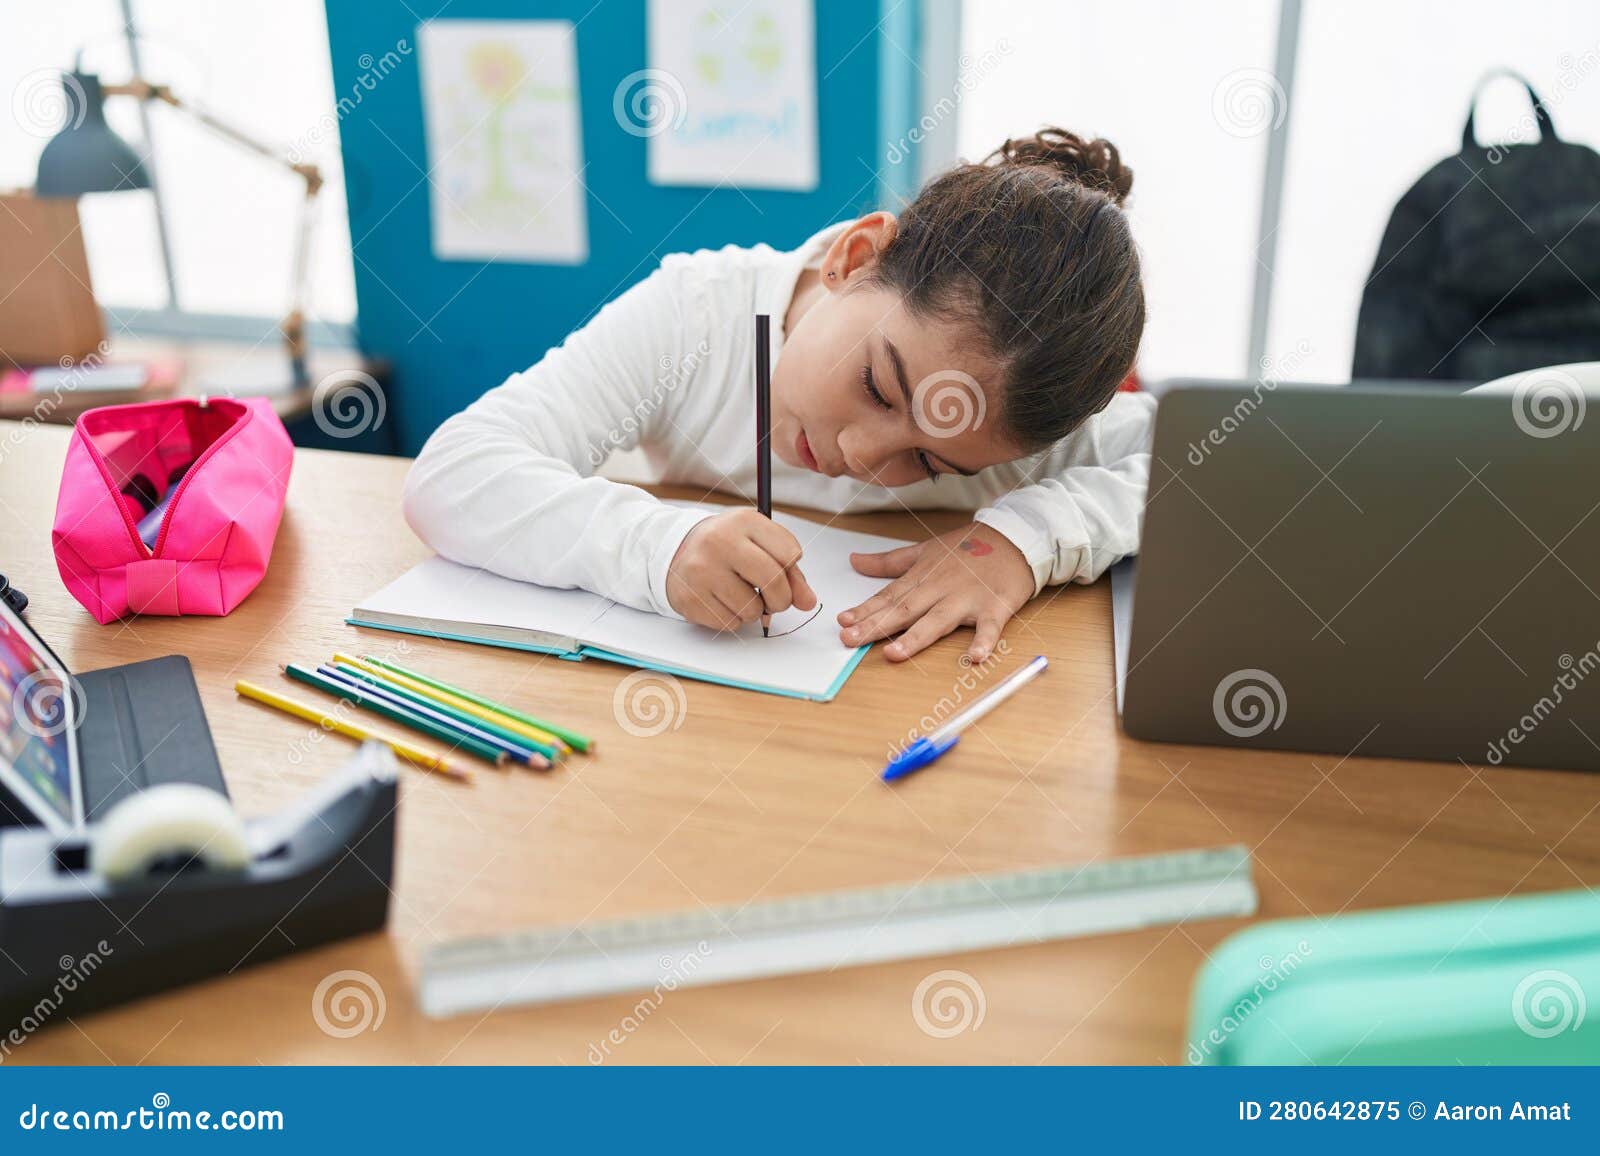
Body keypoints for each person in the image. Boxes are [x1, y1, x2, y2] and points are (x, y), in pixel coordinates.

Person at [404, 128, 1154, 665]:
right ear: (854, 256)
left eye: (929, 463)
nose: (861, 458)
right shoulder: (693, 315)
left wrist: (1023, 542)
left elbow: (1220, 469)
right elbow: (453, 475)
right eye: (878, 387)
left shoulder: (1022, 412)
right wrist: (661, 547)